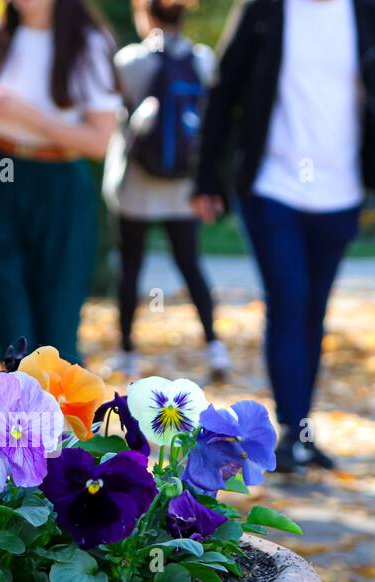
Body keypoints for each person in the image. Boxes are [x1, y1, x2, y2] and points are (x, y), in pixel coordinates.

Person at [193, 0, 375, 472]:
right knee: (289, 298)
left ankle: (301, 429)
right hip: (272, 187)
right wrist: (206, 180)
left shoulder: (369, 14)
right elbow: (224, 91)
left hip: (340, 191)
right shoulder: (264, 10)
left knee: (313, 309)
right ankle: (290, 432)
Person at [0, 0, 120, 365]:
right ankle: (14, 417)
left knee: (58, 333)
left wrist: (31, 118)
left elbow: (99, 141)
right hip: (0, 174)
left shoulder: (88, 39)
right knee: (9, 324)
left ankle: (59, 420)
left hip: (60, 183)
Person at [103, 0, 229, 382]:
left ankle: (127, 352)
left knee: (130, 268)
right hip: (183, 188)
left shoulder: (130, 61)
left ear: (146, 15)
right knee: (191, 265)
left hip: (137, 185)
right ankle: (214, 346)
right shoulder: (202, 59)